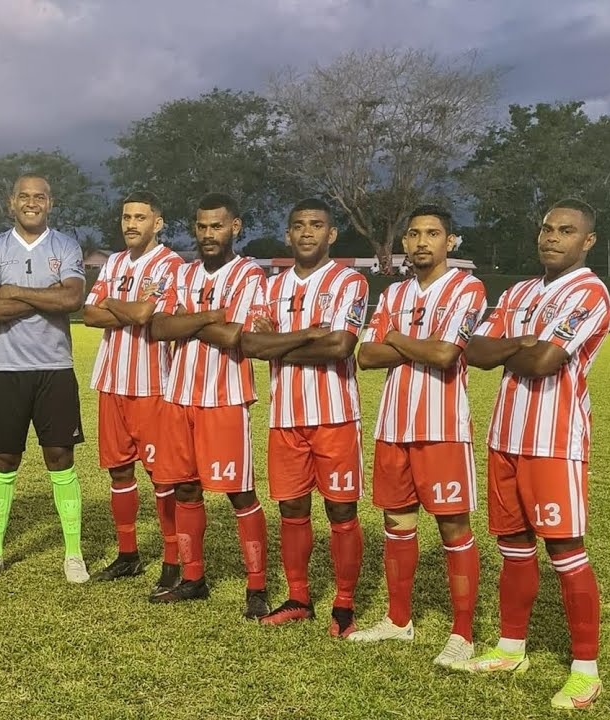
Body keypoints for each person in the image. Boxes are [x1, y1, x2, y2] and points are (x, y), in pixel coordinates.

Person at [455, 199, 610, 711]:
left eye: (566, 231)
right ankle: (510, 647)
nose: (552, 237)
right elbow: (474, 353)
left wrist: (512, 344)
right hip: (506, 436)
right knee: (514, 547)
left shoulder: (590, 292)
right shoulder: (520, 290)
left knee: (566, 551)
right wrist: (519, 341)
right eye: (546, 228)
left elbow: (545, 361)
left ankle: (585, 670)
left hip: (554, 442)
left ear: (586, 241)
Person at [350, 205, 485, 666]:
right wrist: (413, 345)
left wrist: (397, 339)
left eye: (433, 233)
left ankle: (462, 634)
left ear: (451, 242)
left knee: (453, 528)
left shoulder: (468, 287)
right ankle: (398, 621)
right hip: (392, 426)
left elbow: (447, 354)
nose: (422, 241)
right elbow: (366, 356)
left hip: (442, 428)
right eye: (413, 234)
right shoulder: (392, 294)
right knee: (397, 525)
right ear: (404, 243)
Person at [242, 197, 367, 637]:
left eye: (317, 225)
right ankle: (299, 597)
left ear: (331, 234)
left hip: (335, 416)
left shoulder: (350, 281)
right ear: (288, 234)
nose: (307, 232)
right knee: (292, 509)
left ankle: (344, 604)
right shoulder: (270, 287)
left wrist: (283, 341)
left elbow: (339, 347)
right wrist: (308, 334)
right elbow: (252, 346)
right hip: (285, 417)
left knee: (340, 510)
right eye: (299, 225)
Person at [147, 193, 270, 613]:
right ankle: (193, 576)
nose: (207, 235)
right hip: (178, 395)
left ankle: (256, 586)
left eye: (216, 226)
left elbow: (237, 335)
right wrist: (210, 317)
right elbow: (160, 327)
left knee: (239, 492)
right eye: (201, 227)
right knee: (184, 486)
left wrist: (192, 320)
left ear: (235, 227)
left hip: (225, 397)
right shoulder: (181, 274)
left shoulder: (249, 274)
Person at [0, 174, 88, 583]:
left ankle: (73, 554)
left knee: (61, 457)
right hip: (5, 369)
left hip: (55, 368)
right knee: (4, 459)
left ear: (50, 202)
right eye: (24, 196)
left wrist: (13, 292)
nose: (31, 202)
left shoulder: (65, 245)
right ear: (11, 202)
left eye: (40, 196)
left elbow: (72, 300)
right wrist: (42, 296)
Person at [82, 191, 184, 593]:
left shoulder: (171, 265)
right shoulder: (114, 262)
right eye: (126, 217)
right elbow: (89, 314)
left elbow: (147, 315)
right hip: (111, 381)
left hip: (153, 384)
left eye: (140, 217)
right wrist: (128, 306)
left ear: (157, 224)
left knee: (163, 476)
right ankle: (128, 555)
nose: (130, 224)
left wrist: (113, 301)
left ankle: (173, 561)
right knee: (119, 470)